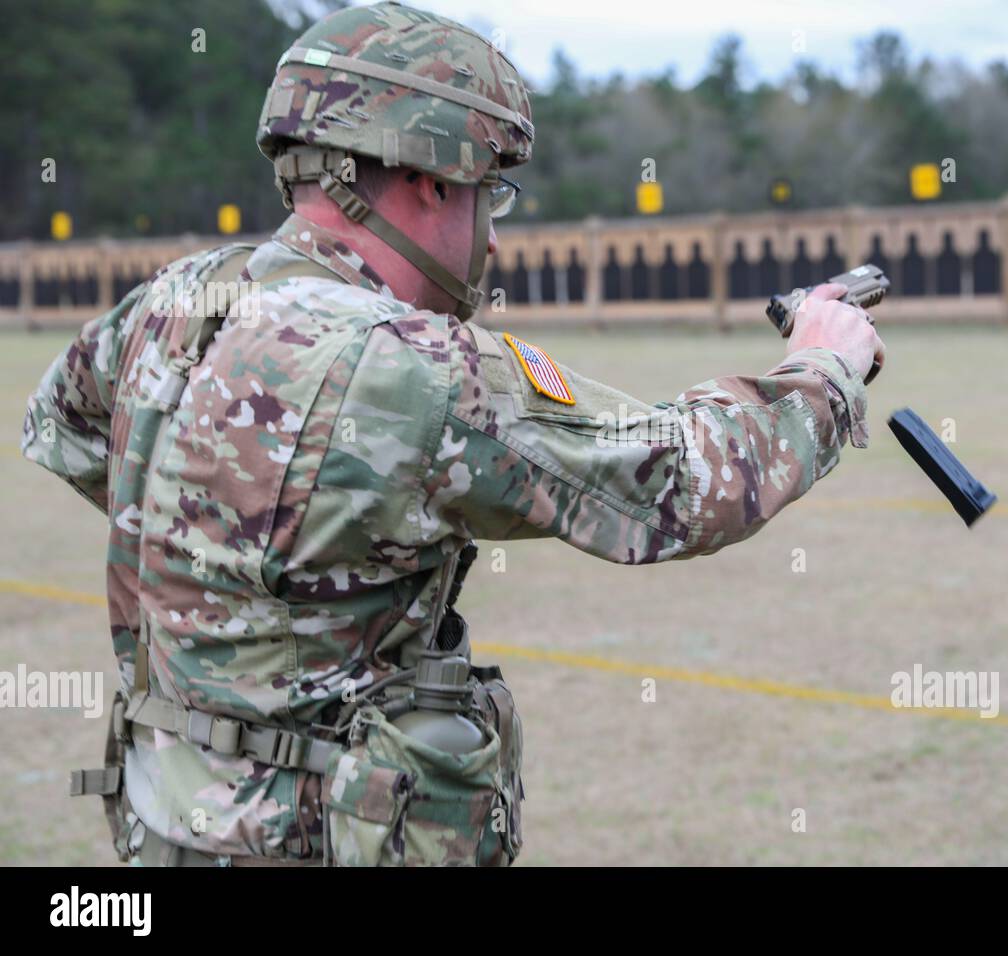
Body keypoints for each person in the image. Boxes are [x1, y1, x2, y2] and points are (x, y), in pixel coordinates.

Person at [21, 1, 884, 867]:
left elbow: (68, 430)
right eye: (490, 194)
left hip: (160, 829)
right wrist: (823, 369)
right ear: (432, 178)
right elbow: (681, 484)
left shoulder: (175, 299)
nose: (495, 235)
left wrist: (240, 566)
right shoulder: (415, 370)